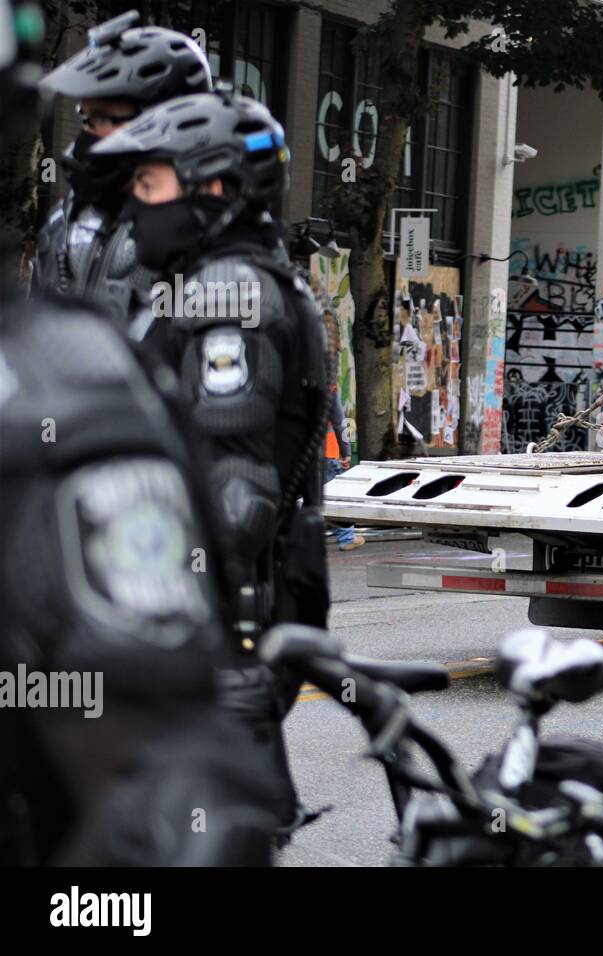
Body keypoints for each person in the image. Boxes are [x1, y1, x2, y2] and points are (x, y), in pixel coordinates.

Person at [0, 0, 277, 864]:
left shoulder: (186, 253)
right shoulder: (70, 222)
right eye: (85, 120)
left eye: (110, 121)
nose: (92, 141)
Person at [90, 86, 332, 836]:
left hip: (221, 627)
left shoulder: (228, 292)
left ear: (217, 187)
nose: (136, 208)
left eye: (151, 185)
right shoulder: (224, 280)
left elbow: (237, 498)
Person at [31, 9, 213, 331]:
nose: (87, 134)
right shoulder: (67, 221)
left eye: (103, 118)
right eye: (85, 117)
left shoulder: (208, 241)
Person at [325, 379, 365, 551]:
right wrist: (346, 451)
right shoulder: (329, 386)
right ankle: (346, 537)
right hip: (326, 451)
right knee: (335, 496)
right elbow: (340, 422)